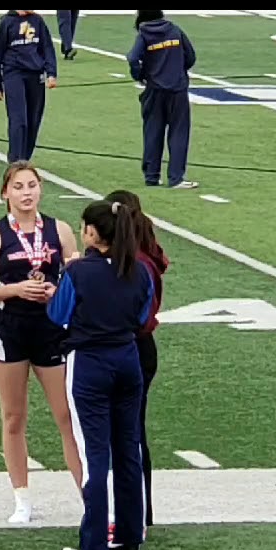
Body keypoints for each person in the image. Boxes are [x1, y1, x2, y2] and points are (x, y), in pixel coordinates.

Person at [0, 161, 81, 523]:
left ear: (41, 188)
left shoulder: (60, 230)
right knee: (14, 417)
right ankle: (21, 499)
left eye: (32, 185)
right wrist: (16, 289)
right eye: (18, 186)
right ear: (6, 193)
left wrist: (57, 290)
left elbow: (81, 279)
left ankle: (88, 494)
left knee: (67, 416)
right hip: (11, 330)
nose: (26, 193)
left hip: (51, 330)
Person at [46, 194, 155, 550]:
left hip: (90, 362)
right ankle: (130, 534)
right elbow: (142, 317)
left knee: (94, 452)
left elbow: (58, 315)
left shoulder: (78, 272)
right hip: (128, 359)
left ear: (92, 233)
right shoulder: (139, 269)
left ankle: (94, 540)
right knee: (129, 449)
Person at [119, 191, 170, 531]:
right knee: (132, 432)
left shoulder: (137, 264)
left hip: (131, 347)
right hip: (139, 347)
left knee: (129, 434)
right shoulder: (144, 257)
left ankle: (135, 512)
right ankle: (139, 510)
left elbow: (139, 316)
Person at [126, 10, 199, 190]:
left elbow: (132, 58)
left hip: (154, 89)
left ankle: (152, 176)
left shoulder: (144, 34)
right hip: (177, 89)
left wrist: (141, 75)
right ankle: (176, 178)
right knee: (179, 132)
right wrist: (178, 71)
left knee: (153, 131)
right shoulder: (175, 30)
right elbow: (190, 56)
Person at [0, 10, 59, 163]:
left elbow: (47, 48)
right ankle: (16, 158)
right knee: (19, 119)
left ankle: (25, 157)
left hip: (35, 74)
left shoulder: (38, 21)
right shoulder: (7, 22)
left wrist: (51, 73)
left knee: (33, 120)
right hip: (14, 74)